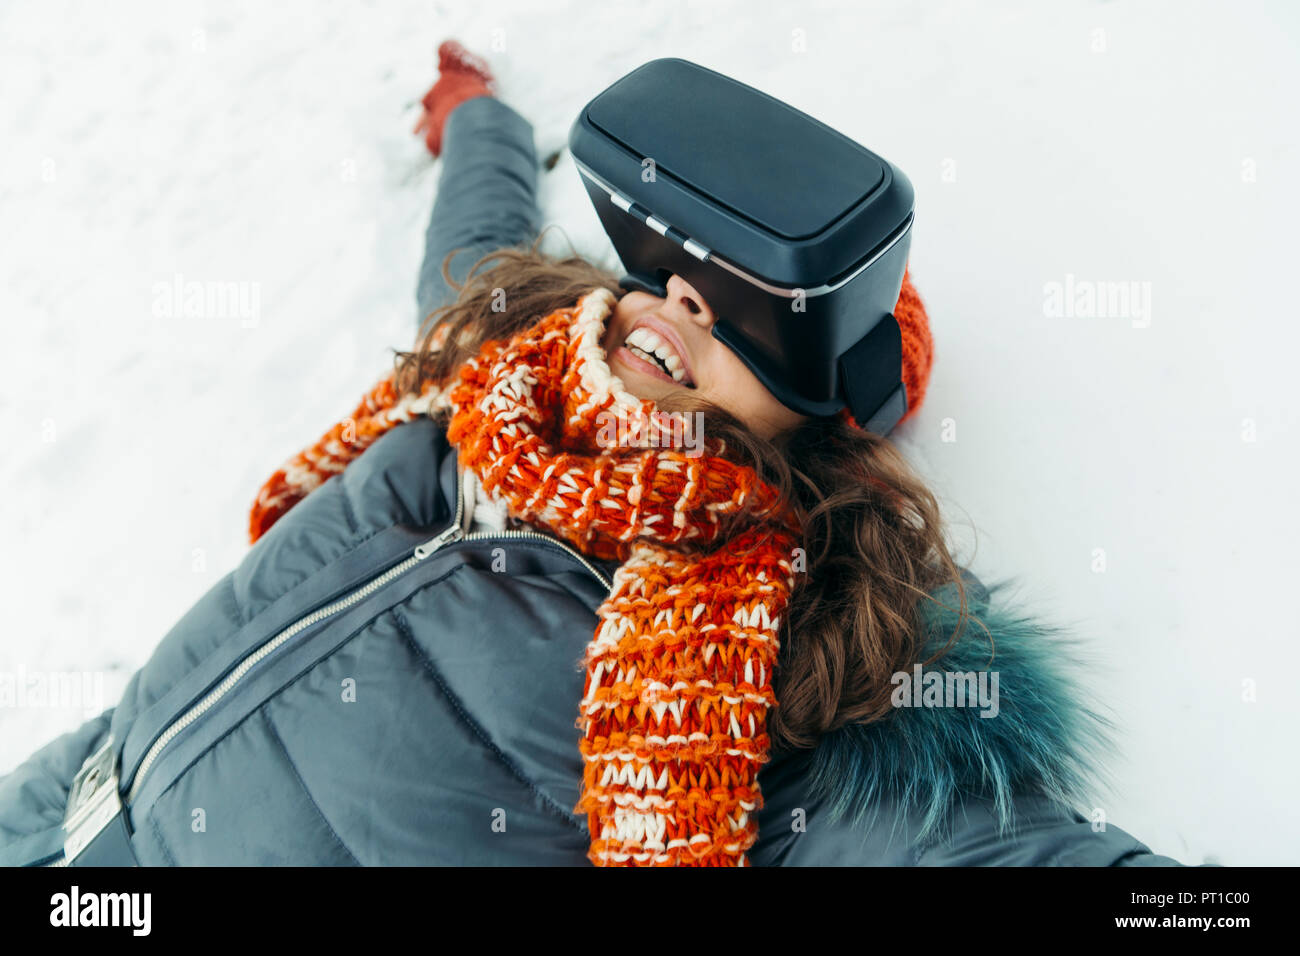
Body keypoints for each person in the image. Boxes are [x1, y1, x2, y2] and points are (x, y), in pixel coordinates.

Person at [0, 42, 1191, 867]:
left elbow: (978, 851)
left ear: (810, 437)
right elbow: (478, 232)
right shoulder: (494, 363)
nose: (686, 300)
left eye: (754, 320)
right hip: (63, 796)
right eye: (684, 264)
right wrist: (478, 118)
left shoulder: (742, 668)